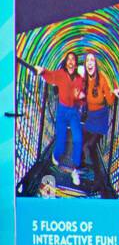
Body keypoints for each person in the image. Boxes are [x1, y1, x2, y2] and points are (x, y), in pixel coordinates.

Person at [39, 50, 85, 186]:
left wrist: (81, 99)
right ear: (66, 62)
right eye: (68, 59)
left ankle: (75, 169)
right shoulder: (60, 74)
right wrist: (42, 71)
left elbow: (81, 98)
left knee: (78, 139)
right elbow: (50, 75)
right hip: (62, 110)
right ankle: (56, 155)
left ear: (76, 64)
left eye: (73, 59)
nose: (71, 61)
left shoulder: (79, 79)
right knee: (61, 139)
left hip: (74, 112)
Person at [81, 51, 118, 180]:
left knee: (90, 147)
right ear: (85, 65)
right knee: (80, 139)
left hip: (101, 118)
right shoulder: (85, 81)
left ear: (95, 64)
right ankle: (83, 167)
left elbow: (110, 101)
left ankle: (97, 177)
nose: (89, 63)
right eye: (87, 61)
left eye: (92, 60)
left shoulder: (102, 78)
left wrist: (114, 91)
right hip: (91, 118)